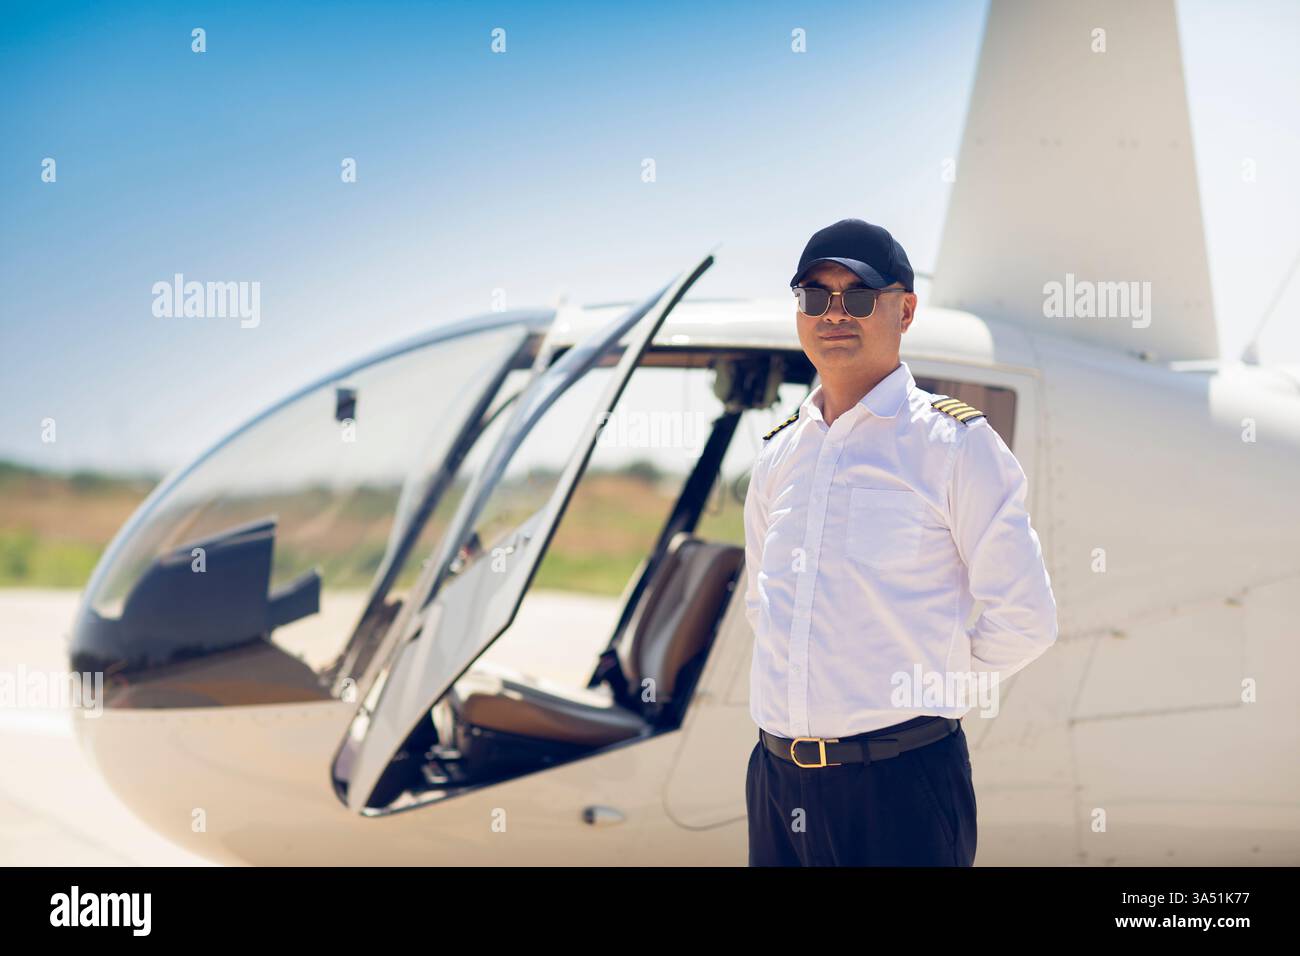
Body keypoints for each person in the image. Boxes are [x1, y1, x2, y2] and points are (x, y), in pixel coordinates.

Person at [742, 218, 1058, 866]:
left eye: (858, 296)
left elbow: (1027, 618)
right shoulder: (777, 457)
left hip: (899, 786)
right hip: (776, 785)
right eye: (814, 296)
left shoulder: (955, 446)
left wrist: (929, 694)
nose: (835, 313)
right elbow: (763, 608)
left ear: (905, 310)